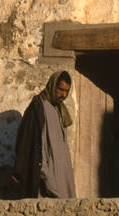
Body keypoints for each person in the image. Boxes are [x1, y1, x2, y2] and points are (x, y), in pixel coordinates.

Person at [11, 70, 76, 199]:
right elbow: (28, 139)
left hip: (61, 171)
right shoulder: (38, 107)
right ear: (53, 86)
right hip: (45, 173)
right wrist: (22, 169)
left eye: (66, 91)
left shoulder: (59, 109)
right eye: (60, 89)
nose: (63, 94)